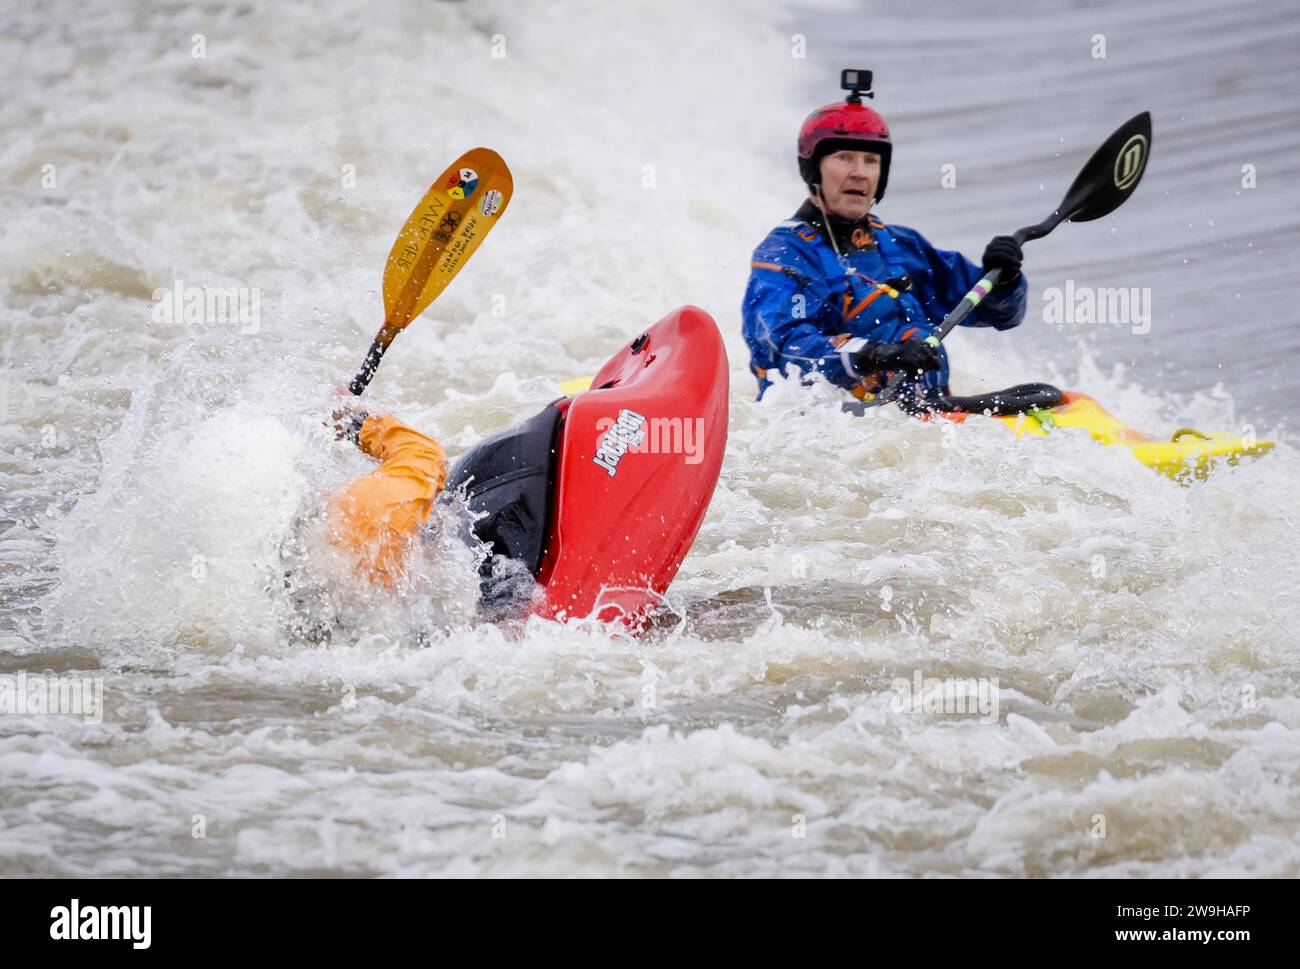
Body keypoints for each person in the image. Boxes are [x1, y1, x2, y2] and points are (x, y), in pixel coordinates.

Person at [742, 73, 1029, 412]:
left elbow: (1001, 313)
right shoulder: (783, 256)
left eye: (871, 161)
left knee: (1042, 395)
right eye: (844, 157)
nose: (860, 172)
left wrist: (1005, 279)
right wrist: (874, 355)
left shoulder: (900, 244)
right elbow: (789, 349)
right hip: (828, 430)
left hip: (921, 420)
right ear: (814, 170)